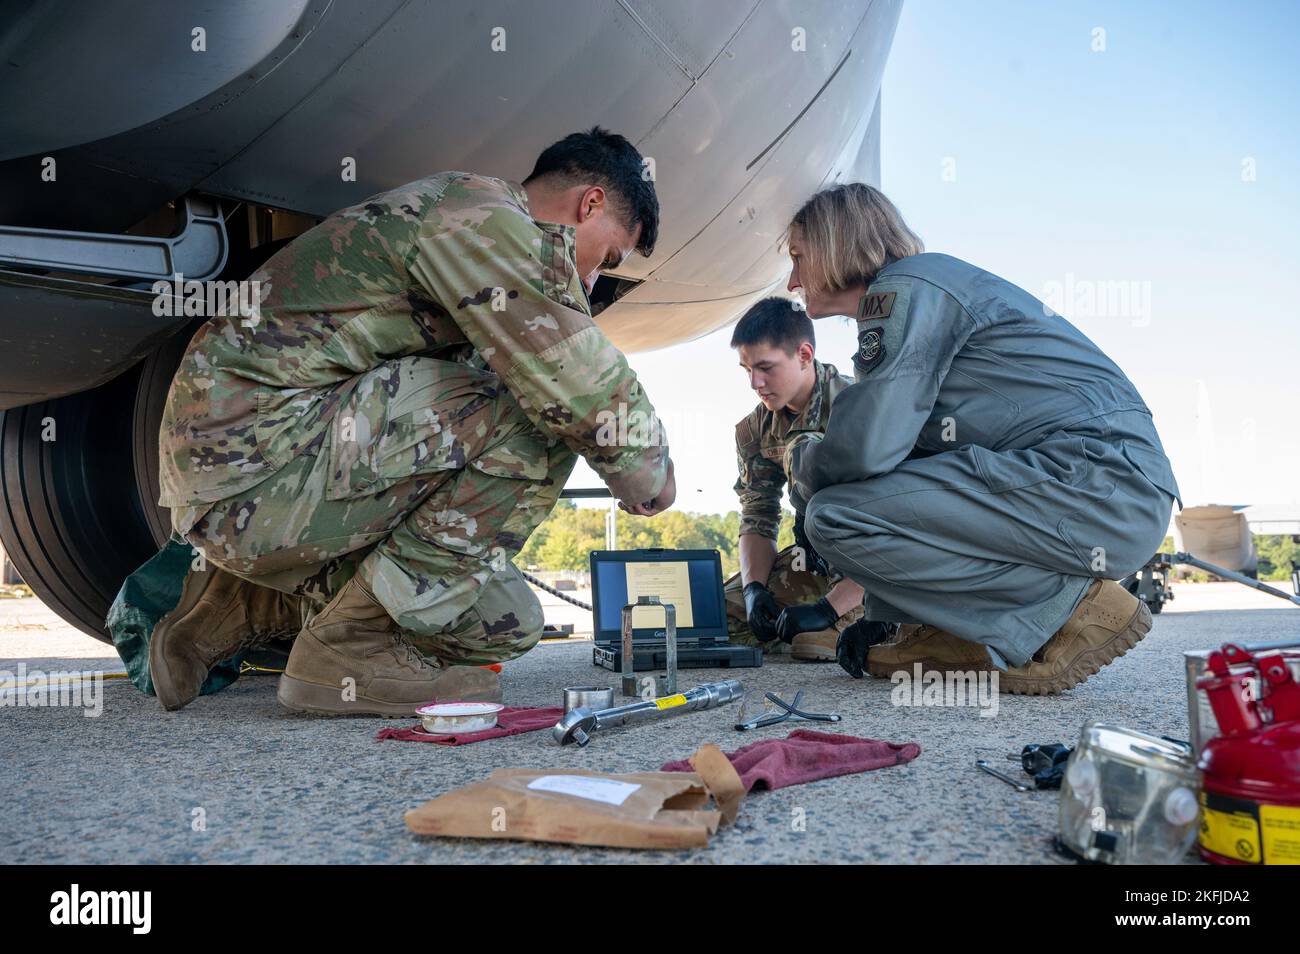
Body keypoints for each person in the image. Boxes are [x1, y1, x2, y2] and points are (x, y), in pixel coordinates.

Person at [148, 127, 675, 715]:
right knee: (539, 415)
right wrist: (651, 474)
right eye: (606, 258)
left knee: (504, 623)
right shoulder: (481, 217)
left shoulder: (478, 235)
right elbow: (580, 382)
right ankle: (347, 649)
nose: (593, 281)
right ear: (591, 203)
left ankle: (227, 612)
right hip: (256, 458)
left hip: (261, 480)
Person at [782, 183, 1181, 694]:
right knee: (853, 501)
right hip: (1102, 486)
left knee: (836, 514)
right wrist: (886, 612)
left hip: (1096, 482)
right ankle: (959, 630)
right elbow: (902, 472)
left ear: (836, 243)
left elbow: (866, 448)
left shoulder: (904, 289)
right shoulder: (922, 289)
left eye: (798, 257)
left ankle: (1065, 610)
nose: (793, 280)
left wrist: (803, 470)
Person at [723, 297, 865, 661]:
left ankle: (877, 619)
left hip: (873, 568)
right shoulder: (755, 429)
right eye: (746, 369)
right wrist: (755, 591)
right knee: (719, 620)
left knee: (810, 643)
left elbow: (900, 525)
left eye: (766, 368)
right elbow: (758, 516)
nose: (755, 382)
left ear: (804, 355)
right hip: (811, 562)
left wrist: (829, 609)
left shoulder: (860, 408)